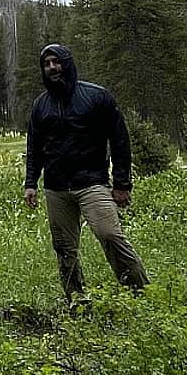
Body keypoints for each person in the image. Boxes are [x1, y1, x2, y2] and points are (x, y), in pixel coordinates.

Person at [23, 43, 149, 299]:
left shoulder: (96, 97)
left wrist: (122, 183)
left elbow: (119, 139)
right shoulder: (40, 106)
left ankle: (141, 292)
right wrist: (30, 182)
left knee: (110, 235)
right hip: (56, 187)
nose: (52, 68)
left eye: (56, 62)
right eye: (46, 64)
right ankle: (76, 300)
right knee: (64, 248)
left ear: (67, 63)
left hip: (93, 183)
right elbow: (34, 146)